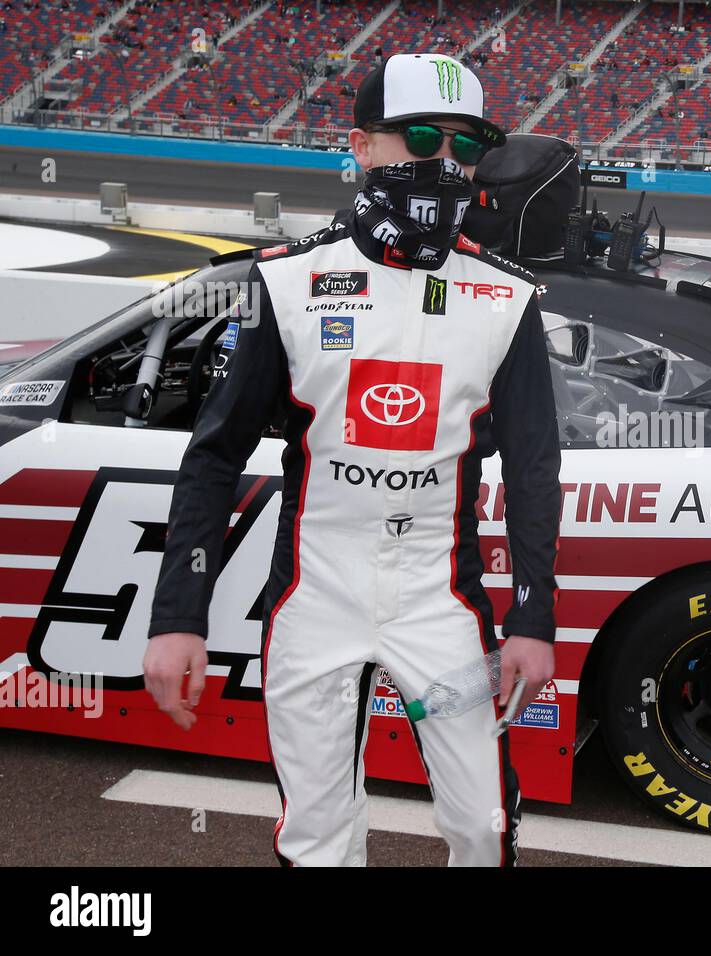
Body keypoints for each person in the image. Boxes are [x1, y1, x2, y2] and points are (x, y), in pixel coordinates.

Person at [143, 53, 562, 867]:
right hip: (313, 598)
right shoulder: (286, 279)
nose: (443, 160)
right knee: (318, 833)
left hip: (443, 607)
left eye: (465, 146)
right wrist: (177, 617)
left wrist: (534, 617)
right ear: (362, 147)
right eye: (421, 137)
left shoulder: (507, 296)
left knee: (481, 824)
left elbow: (535, 469)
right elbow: (214, 455)